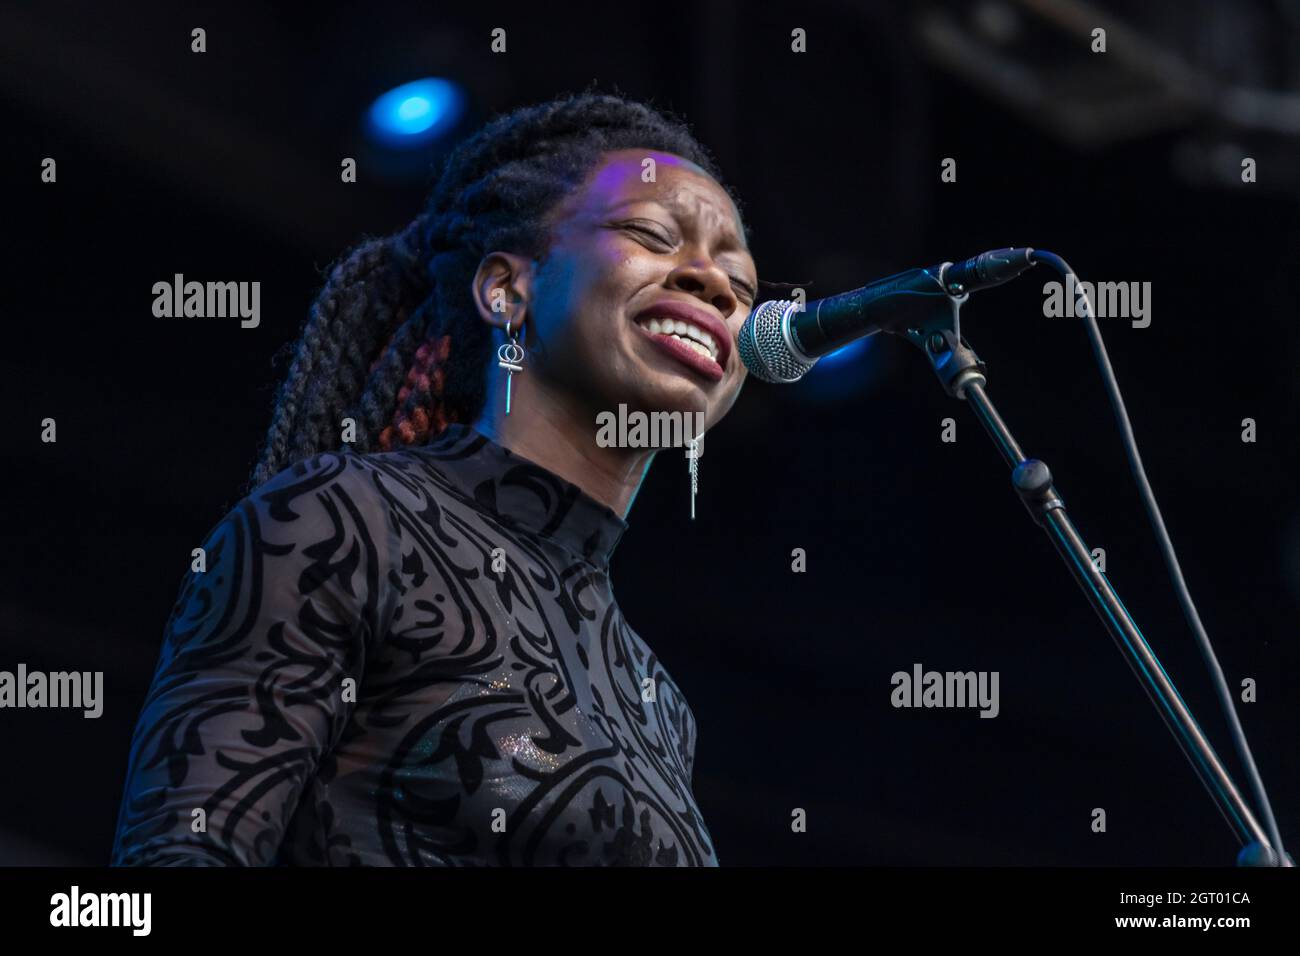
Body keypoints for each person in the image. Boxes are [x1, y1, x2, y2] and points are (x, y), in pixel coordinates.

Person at [111, 91, 758, 866]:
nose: (714, 284)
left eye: (741, 283)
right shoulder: (345, 521)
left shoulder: (657, 700)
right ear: (505, 289)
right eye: (652, 235)